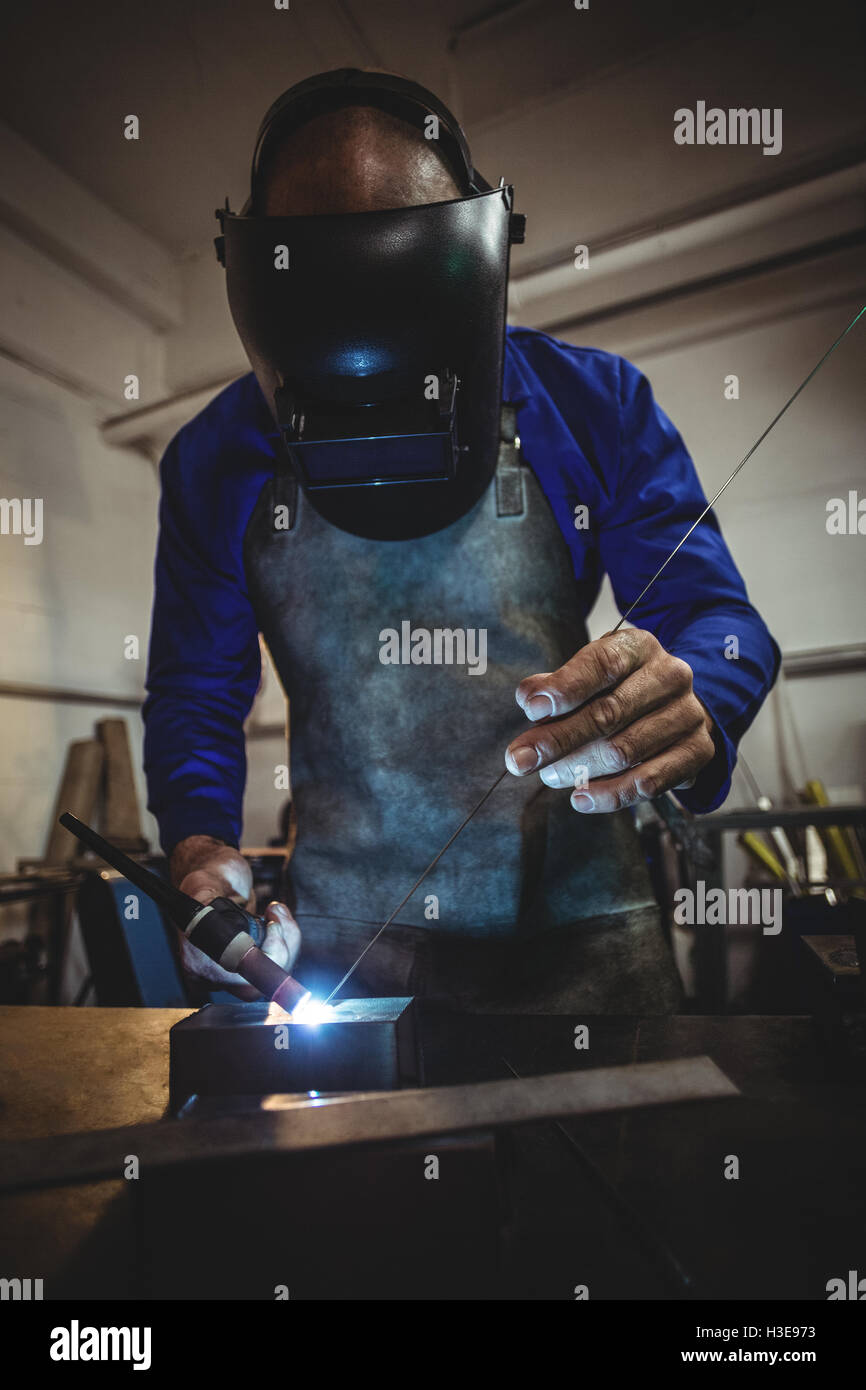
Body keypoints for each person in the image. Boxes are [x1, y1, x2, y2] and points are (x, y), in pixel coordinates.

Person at [144, 70, 779, 1013]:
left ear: (475, 257)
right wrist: (199, 845)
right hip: (348, 951)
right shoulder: (214, 461)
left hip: (584, 931)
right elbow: (197, 690)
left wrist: (698, 699)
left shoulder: (593, 404)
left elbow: (717, 619)